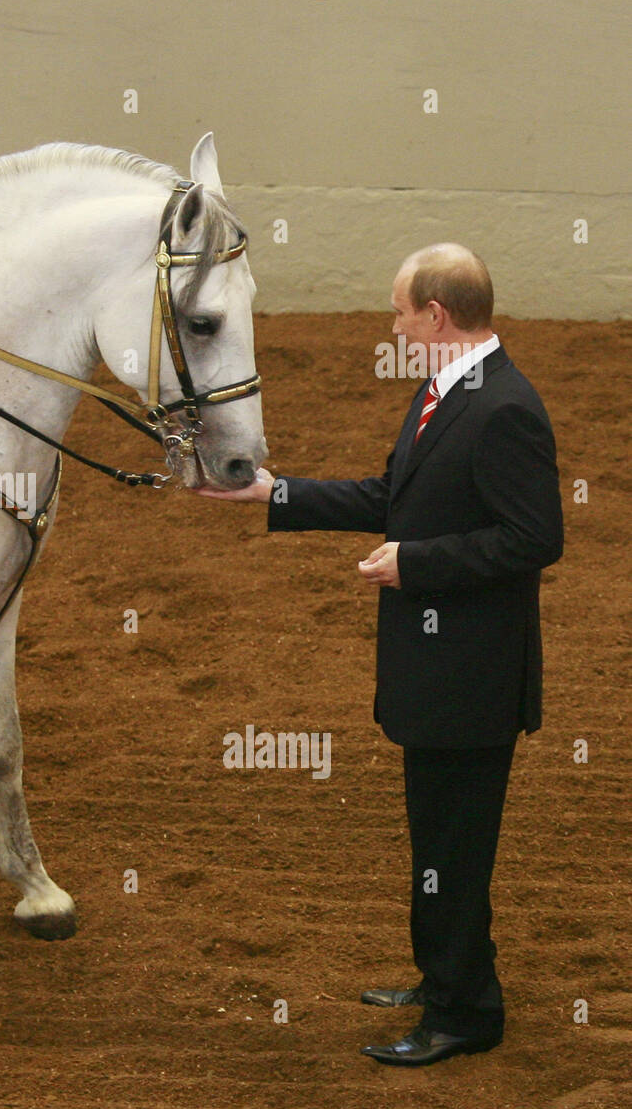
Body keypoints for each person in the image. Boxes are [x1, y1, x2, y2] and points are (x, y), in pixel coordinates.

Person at [203, 243, 563, 1065]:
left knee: (454, 847)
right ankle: (448, 974)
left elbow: (535, 538)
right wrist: (274, 492)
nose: (392, 324)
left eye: (399, 310)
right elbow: (393, 497)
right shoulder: (445, 392)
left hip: (471, 682)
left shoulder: (504, 408)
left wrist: (415, 564)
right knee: (441, 840)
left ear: (433, 315)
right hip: (441, 676)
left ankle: (463, 1013)